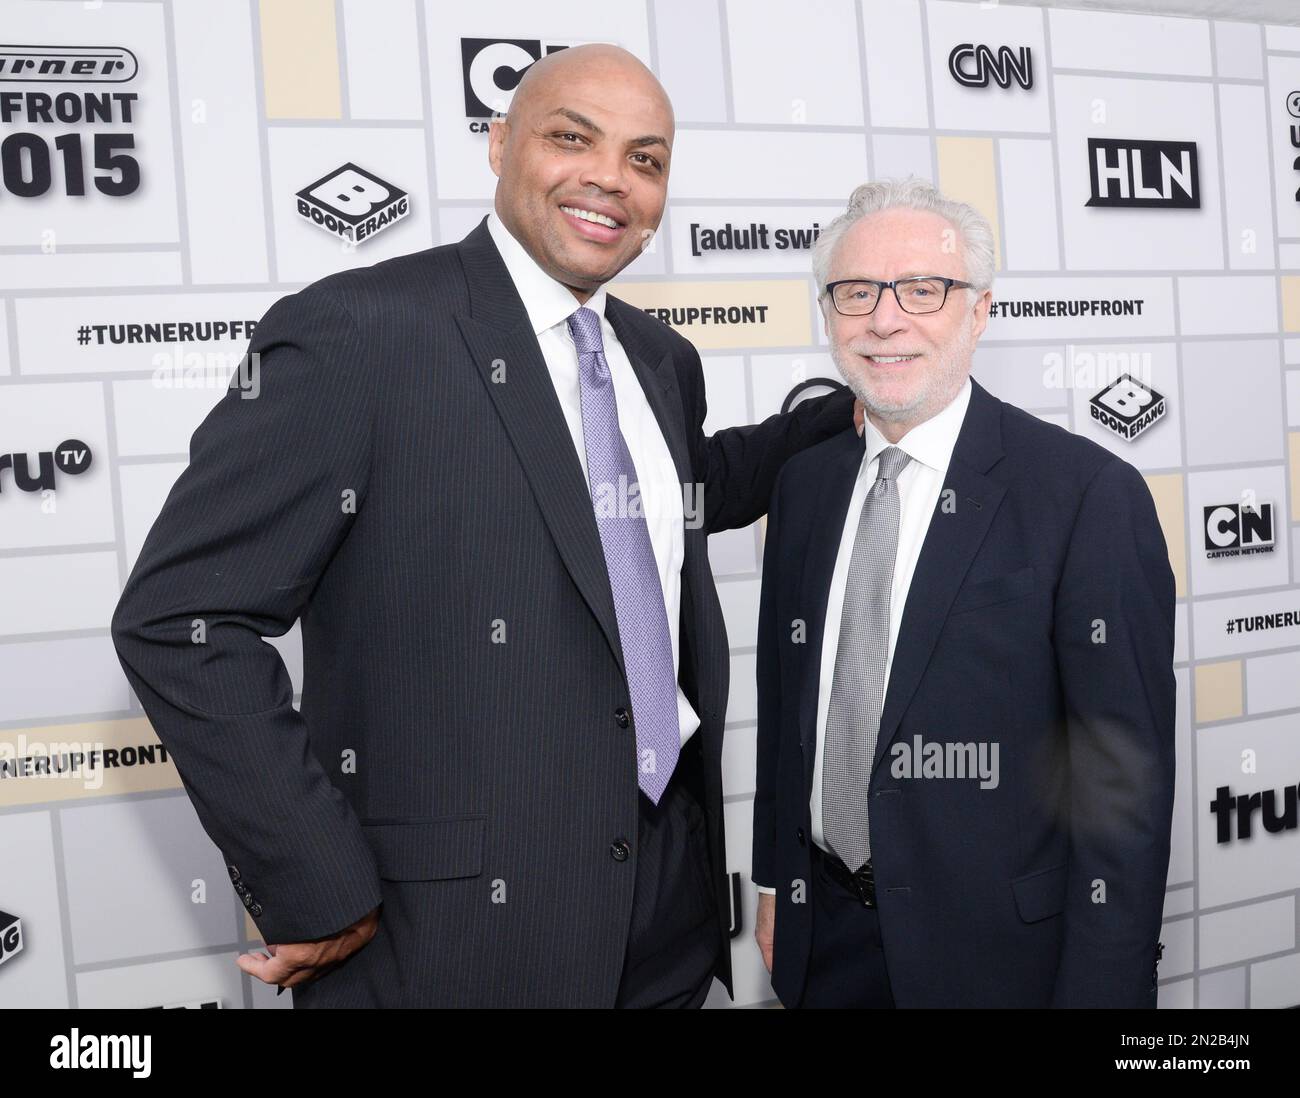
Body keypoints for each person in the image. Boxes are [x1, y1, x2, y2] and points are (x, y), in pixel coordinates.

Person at [110, 43, 858, 1008]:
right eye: (570, 138)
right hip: (449, 940)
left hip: (669, 911)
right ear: (499, 144)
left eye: (646, 158)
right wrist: (316, 883)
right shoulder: (359, 333)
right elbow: (184, 619)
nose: (610, 178)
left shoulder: (658, 355)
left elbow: (683, 493)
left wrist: (863, 400)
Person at [751, 177, 1175, 1008]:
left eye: (923, 289)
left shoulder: (1085, 494)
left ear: (978, 312)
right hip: (823, 942)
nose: (885, 319)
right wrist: (776, 885)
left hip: (1002, 963)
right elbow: (786, 708)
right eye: (856, 292)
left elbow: (1121, 791)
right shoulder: (802, 487)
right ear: (828, 314)